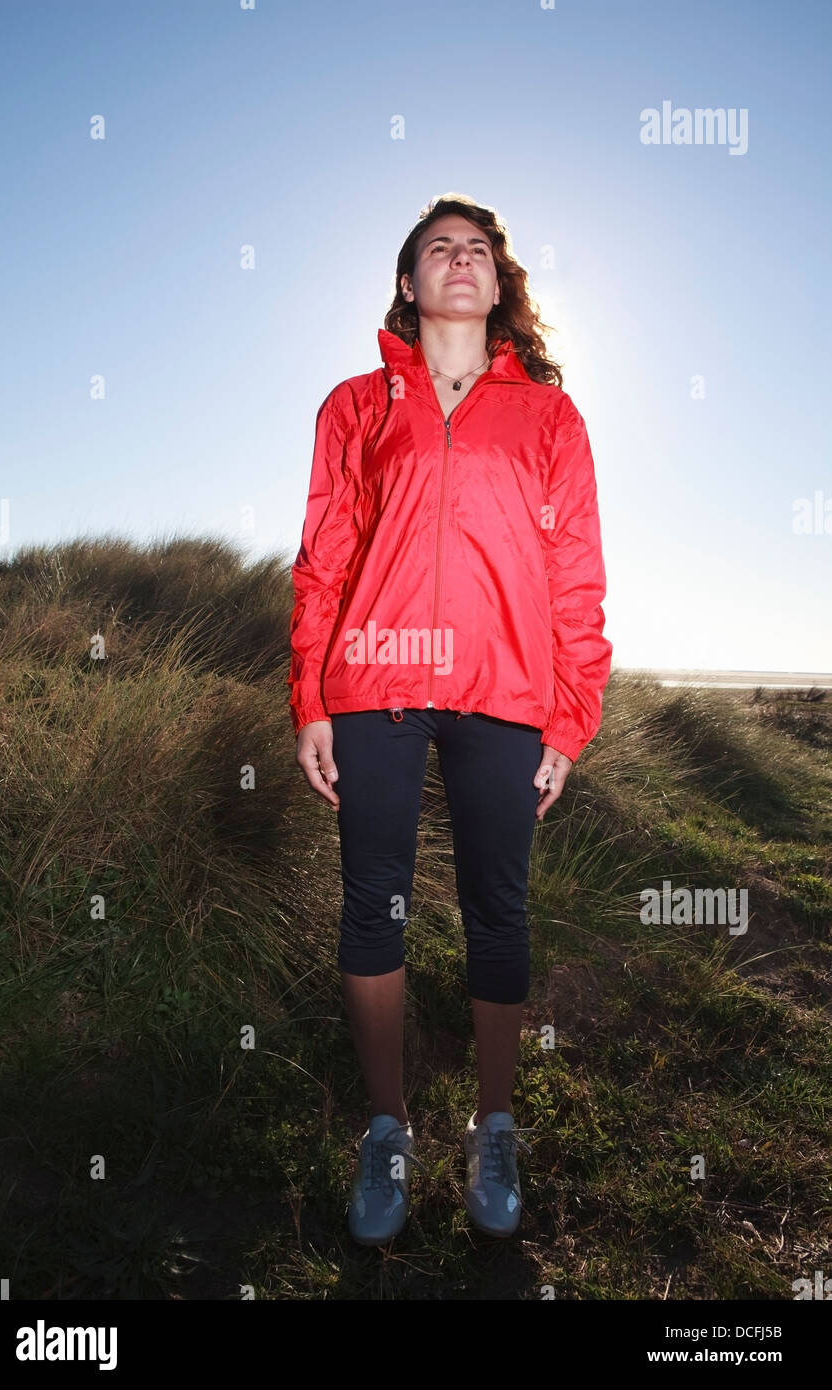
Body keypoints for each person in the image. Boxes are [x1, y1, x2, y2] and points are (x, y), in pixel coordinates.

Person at [287, 193, 612, 1245]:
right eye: (439, 248)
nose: (459, 260)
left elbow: (575, 578)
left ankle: (494, 1123)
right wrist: (310, 698)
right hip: (373, 681)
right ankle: (386, 1126)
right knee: (371, 903)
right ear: (408, 283)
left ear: (499, 282)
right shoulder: (353, 407)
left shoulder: (551, 419)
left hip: (504, 688)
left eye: (478, 248)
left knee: (498, 909)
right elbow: (323, 559)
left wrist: (571, 715)